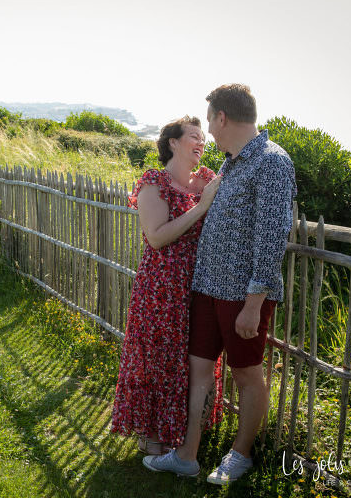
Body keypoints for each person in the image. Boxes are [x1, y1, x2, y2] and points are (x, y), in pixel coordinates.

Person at [142, 84, 296, 483]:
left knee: (246, 374)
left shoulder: (272, 161)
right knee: (199, 372)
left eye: (209, 121)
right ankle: (187, 455)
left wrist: (253, 304)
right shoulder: (230, 164)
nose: (208, 131)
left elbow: (272, 237)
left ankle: (240, 456)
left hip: (242, 296)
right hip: (207, 288)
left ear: (222, 118)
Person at [111, 116, 224, 462]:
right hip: (160, 287)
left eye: (203, 137)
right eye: (193, 136)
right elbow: (157, 237)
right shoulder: (154, 182)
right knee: (157, 358)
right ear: (173, 143)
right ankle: (153, 434)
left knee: (192, 360)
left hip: (199, 285)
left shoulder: (207, 180)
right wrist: (201, 207)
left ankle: (184, 436)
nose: (201, 142)